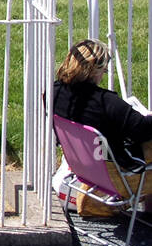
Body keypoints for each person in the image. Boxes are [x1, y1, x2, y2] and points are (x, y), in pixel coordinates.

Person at [53, 38, 152, 171]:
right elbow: (142, 130)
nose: (103, 76)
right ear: (93, 70)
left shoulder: (54, 93)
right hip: (116, 169)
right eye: (104, 71)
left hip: (83, 164)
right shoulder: (106, 102)